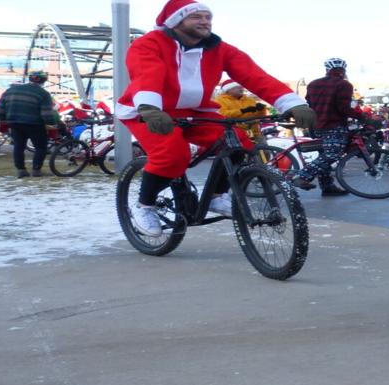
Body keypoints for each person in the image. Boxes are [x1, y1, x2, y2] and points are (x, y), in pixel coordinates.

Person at [117, 0, 313, 232]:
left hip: (196, 112)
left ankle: (216, 196)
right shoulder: (150, 43)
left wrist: (292, 104)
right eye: (196, 17)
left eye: (207, 17)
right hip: (149, 111)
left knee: (237, 142)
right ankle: (145, 205)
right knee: (172, 154)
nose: (205, 21)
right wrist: (150, 107)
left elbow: (255, 76)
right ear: (176, 21)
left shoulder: (220, 49)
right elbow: (147, 73)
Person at [292, 58, 356, 195]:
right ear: (343, 70)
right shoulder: (344, 85)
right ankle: (302, 176)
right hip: (333, 124)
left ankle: (327, 187)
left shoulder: (313, 84)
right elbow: (343, 108)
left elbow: (309, 104)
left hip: (316, 125)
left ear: (327, 69)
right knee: (332, 154)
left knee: (323, 154)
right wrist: (363, 117)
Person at [0, 71, 64, 178]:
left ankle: (21, 170)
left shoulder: (11, 90)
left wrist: (3, 120)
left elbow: (0, 108)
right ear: (44, 81)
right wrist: (51, 124)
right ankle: (36, 170)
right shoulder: (43, 93)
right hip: (35, 124)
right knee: (40, 147)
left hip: (14, 123)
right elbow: (46, 113)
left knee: (18, 147)